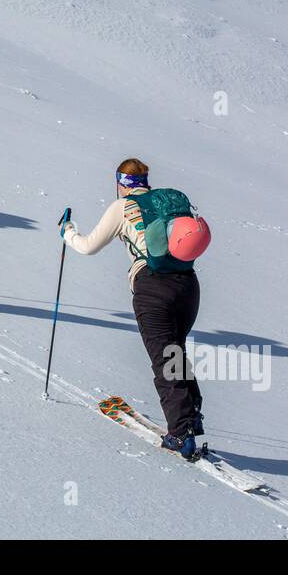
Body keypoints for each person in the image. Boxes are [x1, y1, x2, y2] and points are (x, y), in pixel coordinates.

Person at [61, 158, 205, 459]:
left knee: (164, 359)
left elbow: (88, 246)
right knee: (175, 351)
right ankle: (191, 419)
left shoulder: (122, 207)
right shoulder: (164, 203)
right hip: (188, 285)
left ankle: (180, 435)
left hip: (153, 289)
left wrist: (68, 232)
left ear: (120, 182)